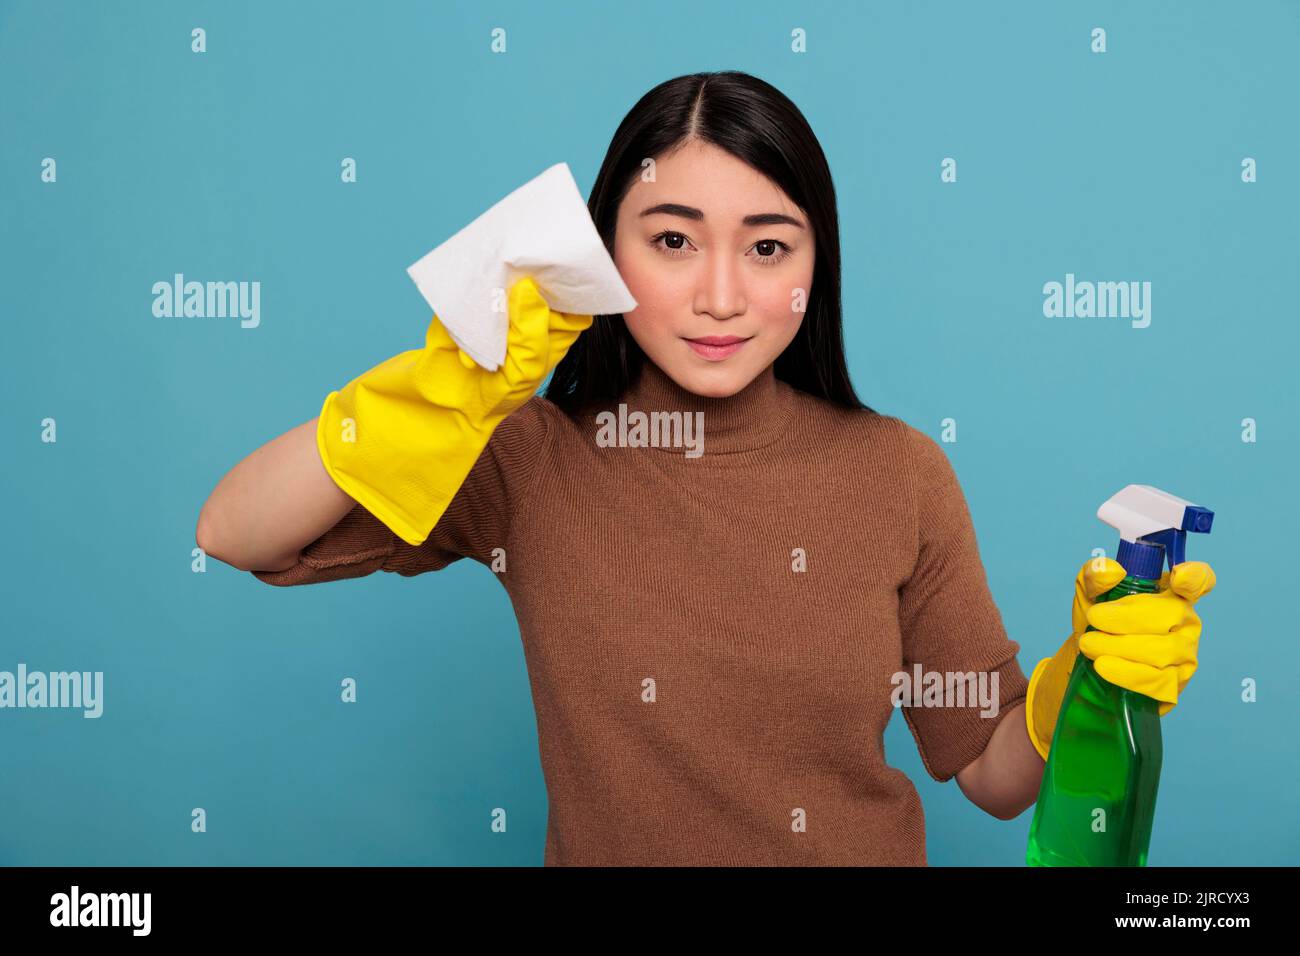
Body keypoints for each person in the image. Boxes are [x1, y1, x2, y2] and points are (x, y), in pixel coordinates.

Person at [196, 70, 1214, 866]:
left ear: (814, 270)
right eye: (672, 240)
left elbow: (991, 773)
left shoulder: (898, 472)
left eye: (767, 248)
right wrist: (440, 389)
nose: (719, 294)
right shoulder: (527, 459)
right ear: (603, 256)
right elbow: (236, 529)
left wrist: (1077, 686)